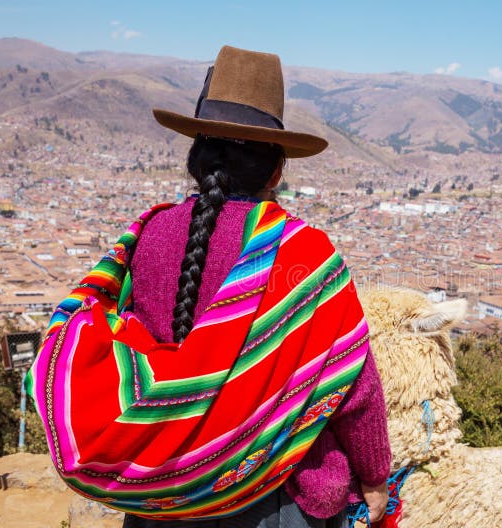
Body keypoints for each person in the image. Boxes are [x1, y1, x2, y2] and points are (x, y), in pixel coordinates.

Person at [120, 46, 392, 526]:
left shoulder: (150, 234)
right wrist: (374, 477)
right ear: (276, 169)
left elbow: (130, 346)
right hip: (274, 494)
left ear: (195, 159)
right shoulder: (305, 255)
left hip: (161, 489)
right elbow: (355, 388)